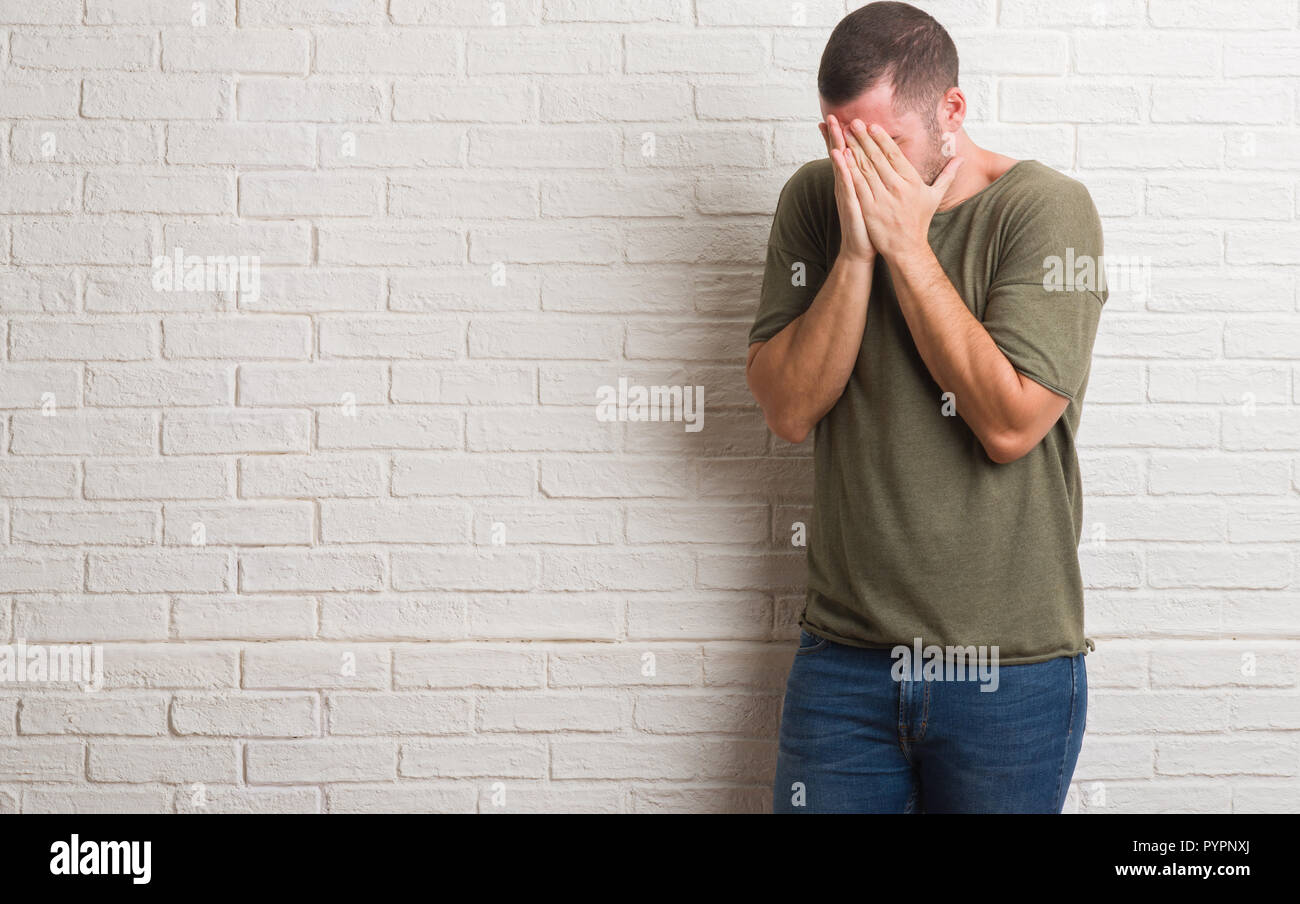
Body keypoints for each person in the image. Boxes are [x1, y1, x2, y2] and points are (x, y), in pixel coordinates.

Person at [746, 1, 1105, 813]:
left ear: (952, 111)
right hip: (844, 661)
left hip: (1009, 670)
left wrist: (908, 249)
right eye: (842, 144)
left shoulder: (1045, 210)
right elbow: (789, 410)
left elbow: (1010, 425)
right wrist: (857, 252)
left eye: (886, 145)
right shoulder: (817, 201)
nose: (860, 171)